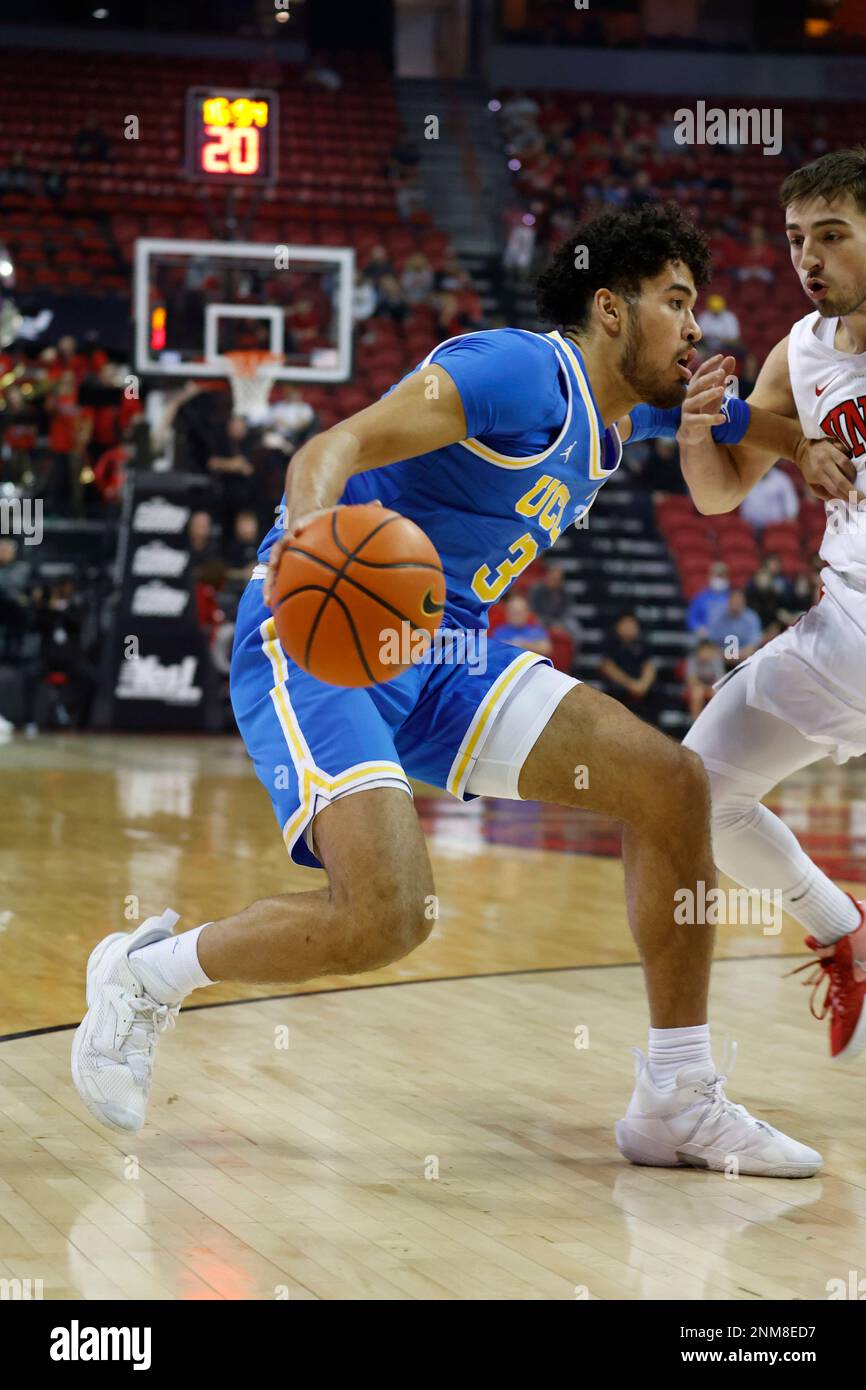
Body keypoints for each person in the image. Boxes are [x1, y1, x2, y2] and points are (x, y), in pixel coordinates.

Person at [73, 201, 845, 1174]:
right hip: (329, 632)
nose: (697, 326)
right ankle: (146, 976)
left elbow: (727, 417)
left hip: (447, 651)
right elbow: (328, 450)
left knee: (671, 784)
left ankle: (676, 1100)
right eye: (675, 302)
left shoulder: (620, 409)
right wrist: (310, 558)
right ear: (609, 309)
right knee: (385, 919)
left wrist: (802, 442)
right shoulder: (516, 369)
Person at [681, 147, 866, 1063]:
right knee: (697, 794)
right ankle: (840, 925)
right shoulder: (799, 350)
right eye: (798, 240)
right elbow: (719, 493)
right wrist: (696, 424)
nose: (809, 258)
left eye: (832, 236)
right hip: (847, 630)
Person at [599, 611, 659, 723]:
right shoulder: (610, 643)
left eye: (632, 625)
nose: (629, 628)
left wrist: (642, 685)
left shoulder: (643, 644)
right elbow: (608, 667)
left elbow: (649, 667)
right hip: (619, 687)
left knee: (656, 696)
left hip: (640, 687)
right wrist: (631, 685)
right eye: (625, 624)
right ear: (618, 626)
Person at [706, 587, 763, 667]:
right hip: (720, 659)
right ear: (728, 601)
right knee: (706, 654)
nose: (735, 605)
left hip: (744, 660)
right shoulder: (716, 616)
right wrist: (724, 655)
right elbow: (711, 643)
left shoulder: (752, 617)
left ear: (744, 603)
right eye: (733, 602)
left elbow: (752, 646)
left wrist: (735, 656)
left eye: (738, 602)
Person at [739, 463, 800, 530]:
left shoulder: (781, 479)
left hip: (775, 526)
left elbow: (790, 500)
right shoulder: (747, 477)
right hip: (749, 525)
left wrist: (790, 516)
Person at [685, 638, 725, 722]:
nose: (705, 654)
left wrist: (710, 688)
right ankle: (695, 723)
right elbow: (691, 680)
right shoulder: (692, 660)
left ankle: (715, 721)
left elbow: (720, 680)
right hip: (698, 687)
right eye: (703, 651)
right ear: (698, 651)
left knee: (716, 694)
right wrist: (704, 688)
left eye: (708, 651)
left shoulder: (716, 659)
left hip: (712, 687)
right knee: (697, 693)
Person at [686, 561, 730, 635]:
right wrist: (698, 628)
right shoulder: (700, 598)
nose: (718, 578)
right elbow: (691, 618)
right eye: (716, 575)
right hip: (705, 639)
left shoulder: (733, 597)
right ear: (710, 576)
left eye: (721, 575)